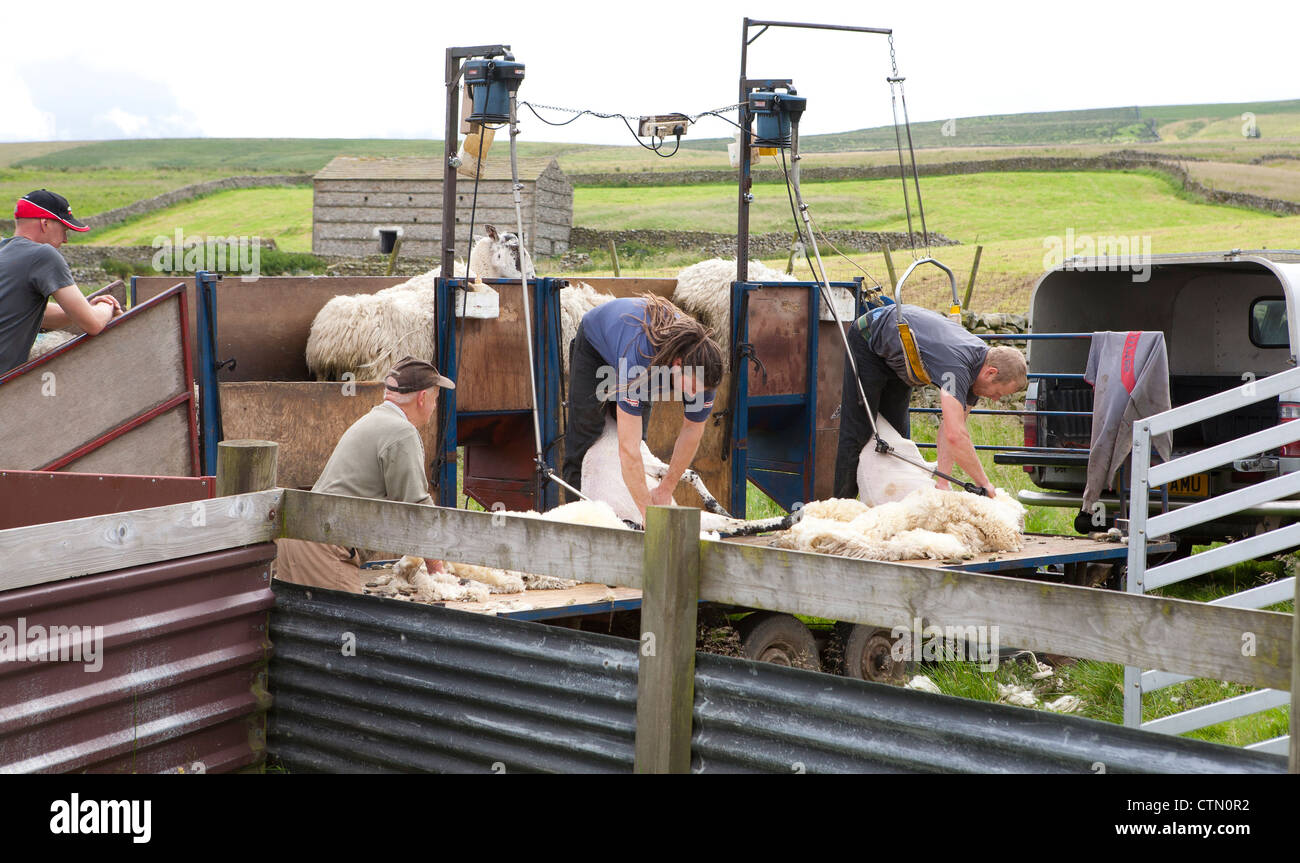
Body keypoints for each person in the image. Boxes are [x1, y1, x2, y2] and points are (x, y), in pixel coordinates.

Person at [274, 357, 455, 593]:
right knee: (343, 625)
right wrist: (437, 571)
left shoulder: (374, 420)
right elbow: (416, 509)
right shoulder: (402, 432)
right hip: (324, 546)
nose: (434, 407)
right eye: (435, 399)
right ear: (422, 398)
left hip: (298, 538)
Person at [833, 302, 1028, 500]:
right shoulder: (957, 367)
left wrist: (942, 483)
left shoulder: (978, 373)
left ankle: (891, 510)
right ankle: (841, 511)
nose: (995, 399)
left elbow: (950, 428)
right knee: (859, 431)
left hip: (900, 352)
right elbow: (955, 436)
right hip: (870, 337)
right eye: (998, 393)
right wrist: (983, 482)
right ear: (991, 373)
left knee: (897, 437)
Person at [564, 293, 723, 523]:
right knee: (586, 438)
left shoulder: (704, 374)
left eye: (701, 392)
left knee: (641, 443)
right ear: (678, 365)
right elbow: (627, 450)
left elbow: (692, 432)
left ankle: (628, 519)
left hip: (649, 360)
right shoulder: (639, 359)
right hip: (597, 349)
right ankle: (578, 522)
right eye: (692, 389)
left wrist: (666, 488)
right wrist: (649, 514)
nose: (695, 397)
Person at [0, 190, 122, 374]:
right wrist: (107, 307)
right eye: (64, 230)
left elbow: (34, 313)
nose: (65, 240)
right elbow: (94, 324)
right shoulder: (43, 255)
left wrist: (84, 308)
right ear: (45, 223)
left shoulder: (4, 252)